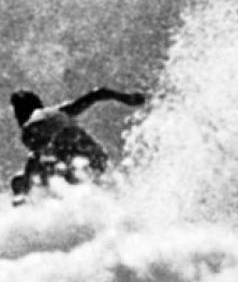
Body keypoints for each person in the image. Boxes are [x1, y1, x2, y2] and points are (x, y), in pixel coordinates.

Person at [10, 86, 147, 201]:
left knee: (21, 181)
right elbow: (98, 93)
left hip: (76, 164)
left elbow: (34, 157)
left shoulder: (29, 128)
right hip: (95, 158)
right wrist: (127, 98)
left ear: (19, 113)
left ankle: (26, 210)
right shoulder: (61, 111)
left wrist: (24, 190)